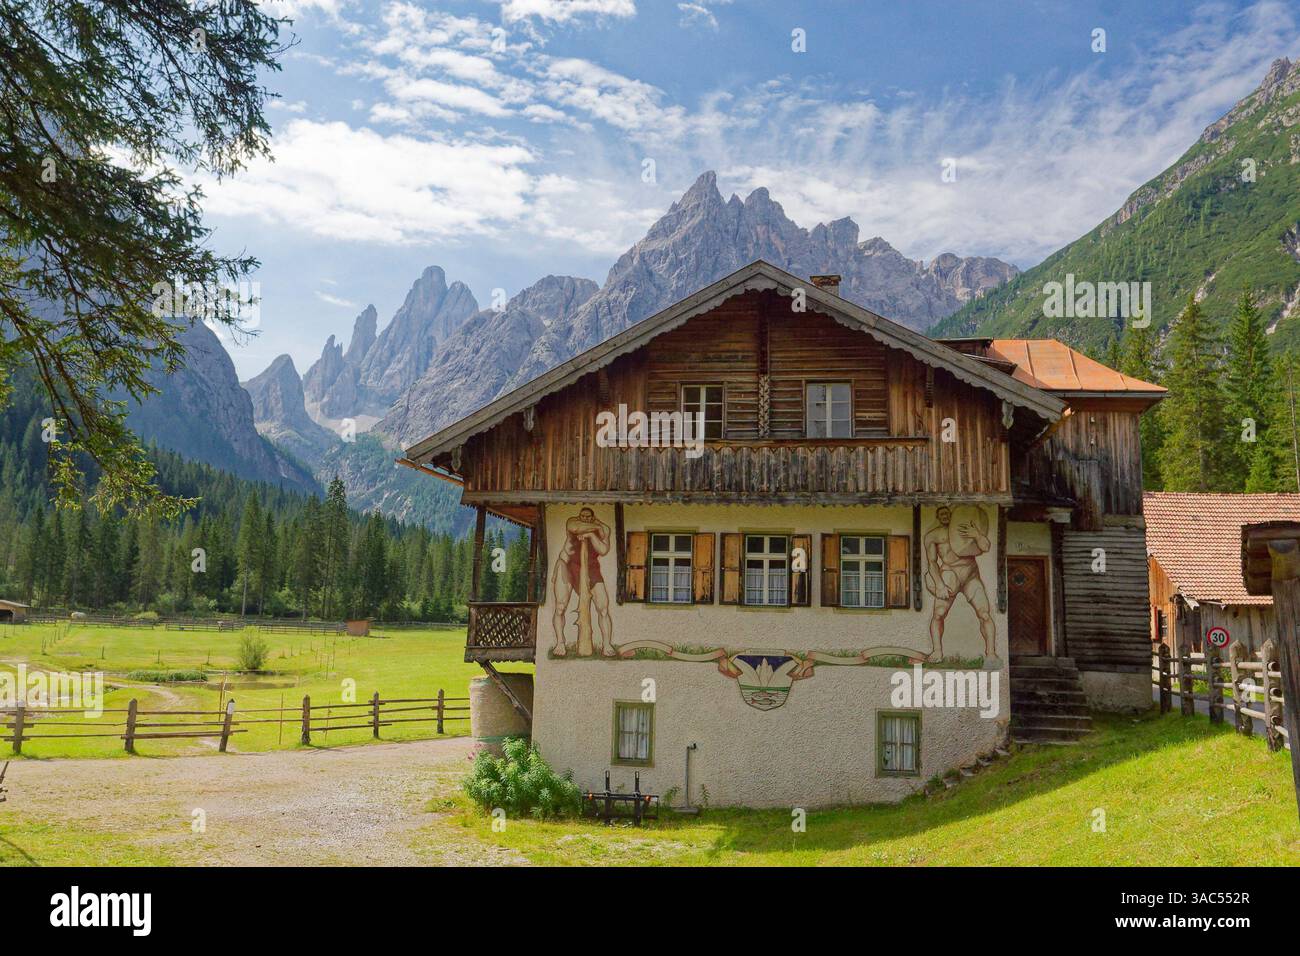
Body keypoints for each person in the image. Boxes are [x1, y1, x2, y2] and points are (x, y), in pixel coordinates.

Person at [923, 506, 999, 667]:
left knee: (984, 613)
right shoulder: (933, 535)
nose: (944, 516)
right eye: (941, 513)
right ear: (937, 516)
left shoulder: (966, 528)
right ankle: (937, 650)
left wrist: (977, 535)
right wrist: (939, 584)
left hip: (971, 574)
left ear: (952, 515)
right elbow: (931, 563)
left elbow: (986, 547)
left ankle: (991, 654)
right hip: (949, 574)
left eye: (947, 513)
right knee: (939, 614)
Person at [549, 508, 615, 657]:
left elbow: (603, 549)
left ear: (593, 517)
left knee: (603, 608)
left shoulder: (602, 529)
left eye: (588, 517)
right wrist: (596, 527)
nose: (584, 518)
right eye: (582, 516)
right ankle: (560, 642)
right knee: (560, 607)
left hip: (591, 570)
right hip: (568, 566)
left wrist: (591, 534)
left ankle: (606, 644)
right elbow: (576, 527)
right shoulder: (572, 521)